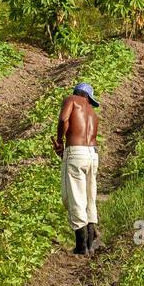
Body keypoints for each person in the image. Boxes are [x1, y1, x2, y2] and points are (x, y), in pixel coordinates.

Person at [55, 82, 100, 255]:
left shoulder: (72, 100)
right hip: (93, 154)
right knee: (90, 196)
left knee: (74, 197)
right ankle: (90, 243)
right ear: (89, 97)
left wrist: (60, 141)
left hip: (76, 152)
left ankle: (81, 247)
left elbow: (63, 119)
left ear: (78, 93)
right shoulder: (94, 115)